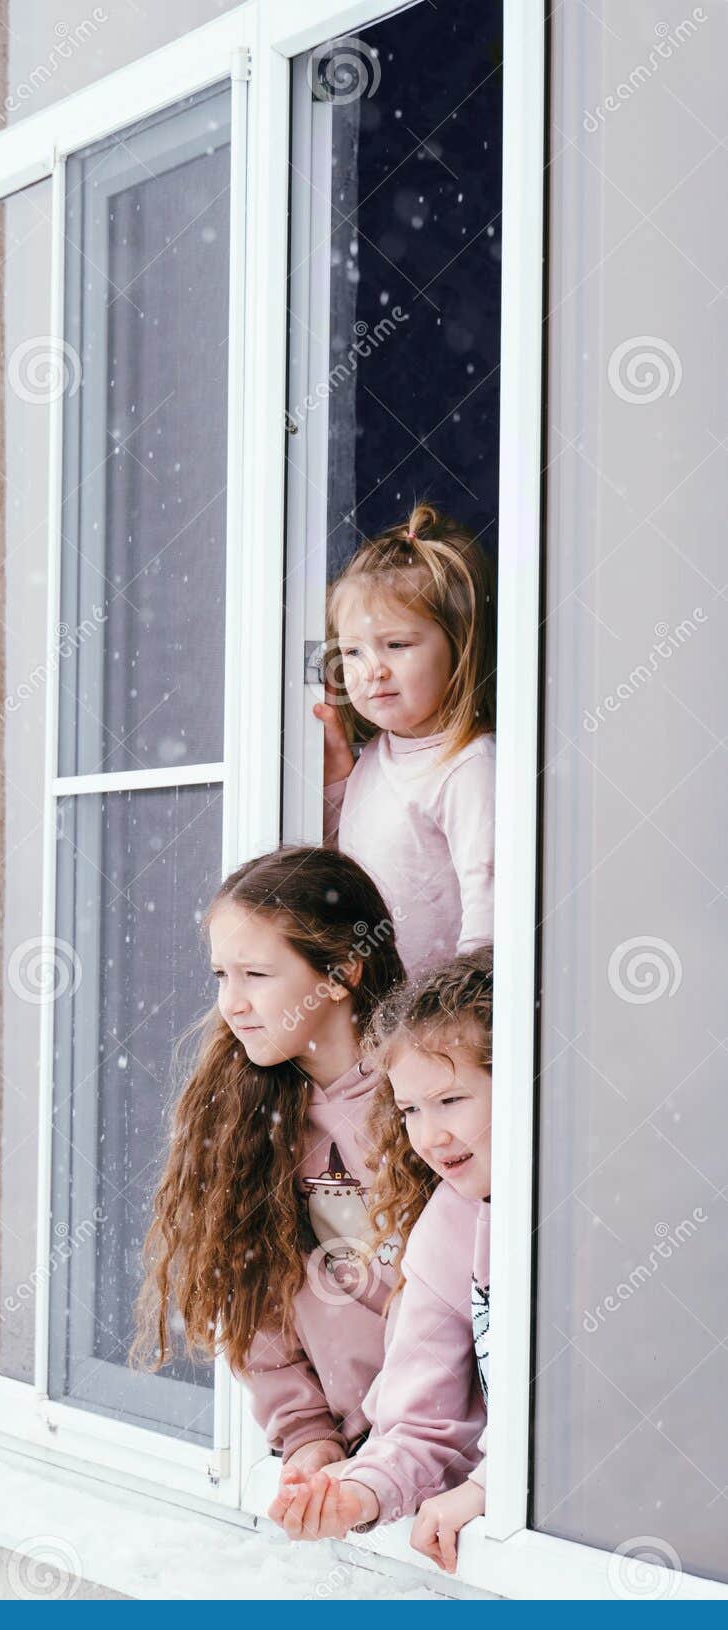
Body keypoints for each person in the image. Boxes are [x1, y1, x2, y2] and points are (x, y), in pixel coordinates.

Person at [132, 846, 404, 1504]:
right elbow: (256, 1299)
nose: (233, 1003)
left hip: (444, 1456)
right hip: (352, 1463)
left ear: (340, 972)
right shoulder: (242, 1117)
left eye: (255, 974)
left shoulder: (423, 1105)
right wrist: (309, 1436)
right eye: (220, 975)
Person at [270, 949, 492, 1575]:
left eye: (451, 1100)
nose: (429, 1137)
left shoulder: (587, 1216)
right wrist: (357, 1495)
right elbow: (424, 1426)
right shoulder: (448, 1228)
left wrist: (488, 1488)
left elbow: (595, 1412)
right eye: (412, 1110)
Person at [317, 502, 496, 977]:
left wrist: (461, 1012)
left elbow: (490, 903)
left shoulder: (468, 765)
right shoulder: (378, 754)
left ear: (459, 647)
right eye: (352, 651)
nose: (373, 669)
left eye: (397, 645)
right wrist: (338, 783)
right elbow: (345, 870)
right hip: (380, 1014)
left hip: (438, 1020)